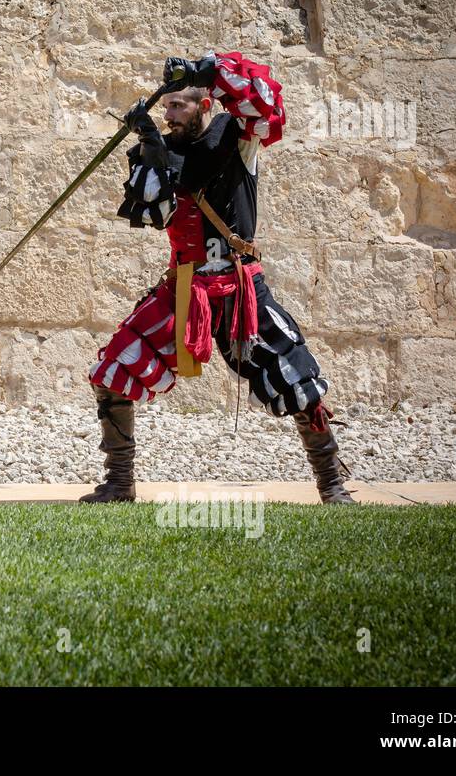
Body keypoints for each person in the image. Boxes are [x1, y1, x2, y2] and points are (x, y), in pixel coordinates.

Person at [82, 52, 354, 505]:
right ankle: (118, 483)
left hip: (242, 288)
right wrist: (150, 146)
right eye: (164, 108)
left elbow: (266, 106)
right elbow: (154, 212)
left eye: (178, 107)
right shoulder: (161, 149)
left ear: (204, 104)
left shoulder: (239, 138)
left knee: (297, 381)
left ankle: (332, 486)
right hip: (184, 289)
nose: (167, 116)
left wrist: (207, 69)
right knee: (113, 371)